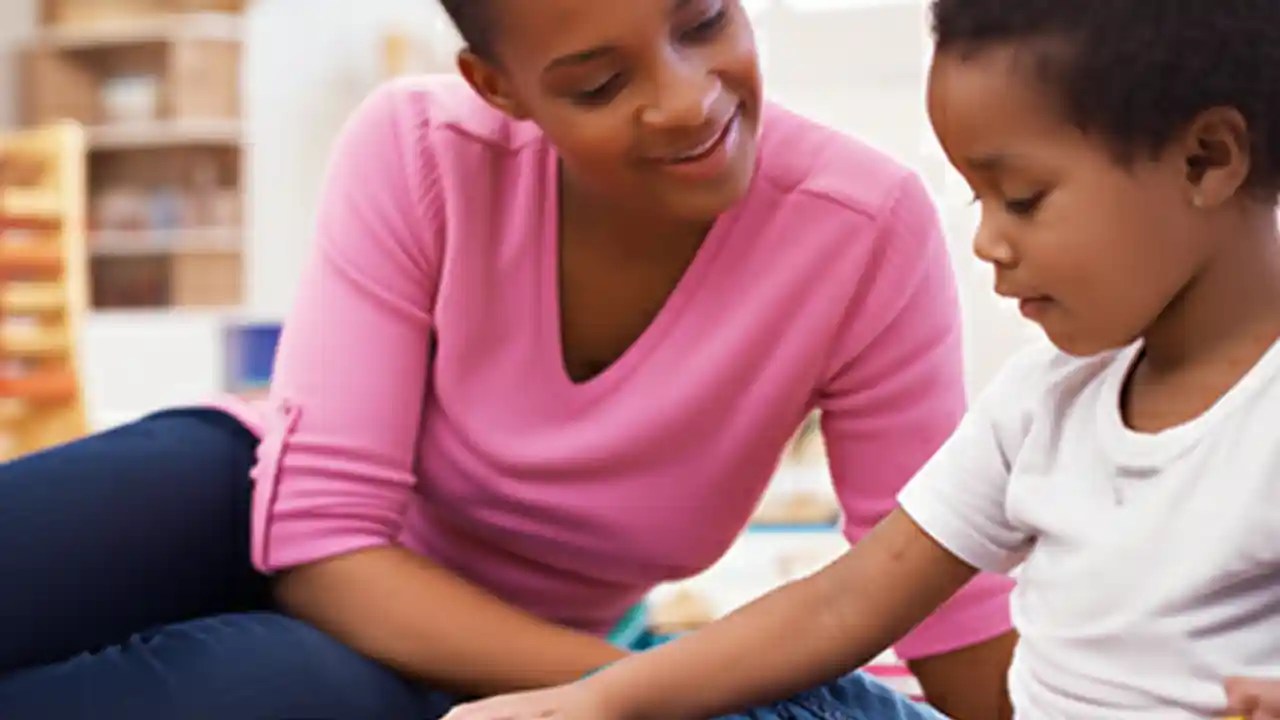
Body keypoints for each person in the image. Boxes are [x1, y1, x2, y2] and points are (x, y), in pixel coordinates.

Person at [0, 0, 1017, 718]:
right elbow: (323, 547)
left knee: (280, 692)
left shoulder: (859, 230)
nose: (683, 98)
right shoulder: (420, 148)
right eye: (600, 82)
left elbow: (936, 586)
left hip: (467, 656)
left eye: (702, 18)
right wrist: (666, 698)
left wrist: (634, 695)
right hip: (248, 502)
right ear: (501, 88)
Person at [441, 1, 1280, 719]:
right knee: (733, 693)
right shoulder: (1045, 399)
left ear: (1205, 160)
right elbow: (846, 601)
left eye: (1022, 200)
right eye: (979, 201)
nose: (989, 243)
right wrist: (597, 701)